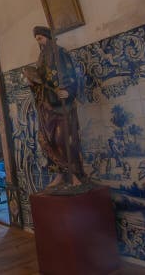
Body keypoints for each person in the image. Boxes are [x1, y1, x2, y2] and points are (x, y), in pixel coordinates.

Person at [23, 25, 86, 188]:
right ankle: (59, 173)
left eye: (40, 38)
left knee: (63, 139)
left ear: (48, 38)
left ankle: (73, 175)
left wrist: (69, 91)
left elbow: (74, 75)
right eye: (37, 39)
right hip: (46, 106)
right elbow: (41, 83)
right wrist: (32, 82)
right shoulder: (41, 59)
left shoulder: (61, 54)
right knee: (48, 140)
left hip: (62, 106)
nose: (39, 42)